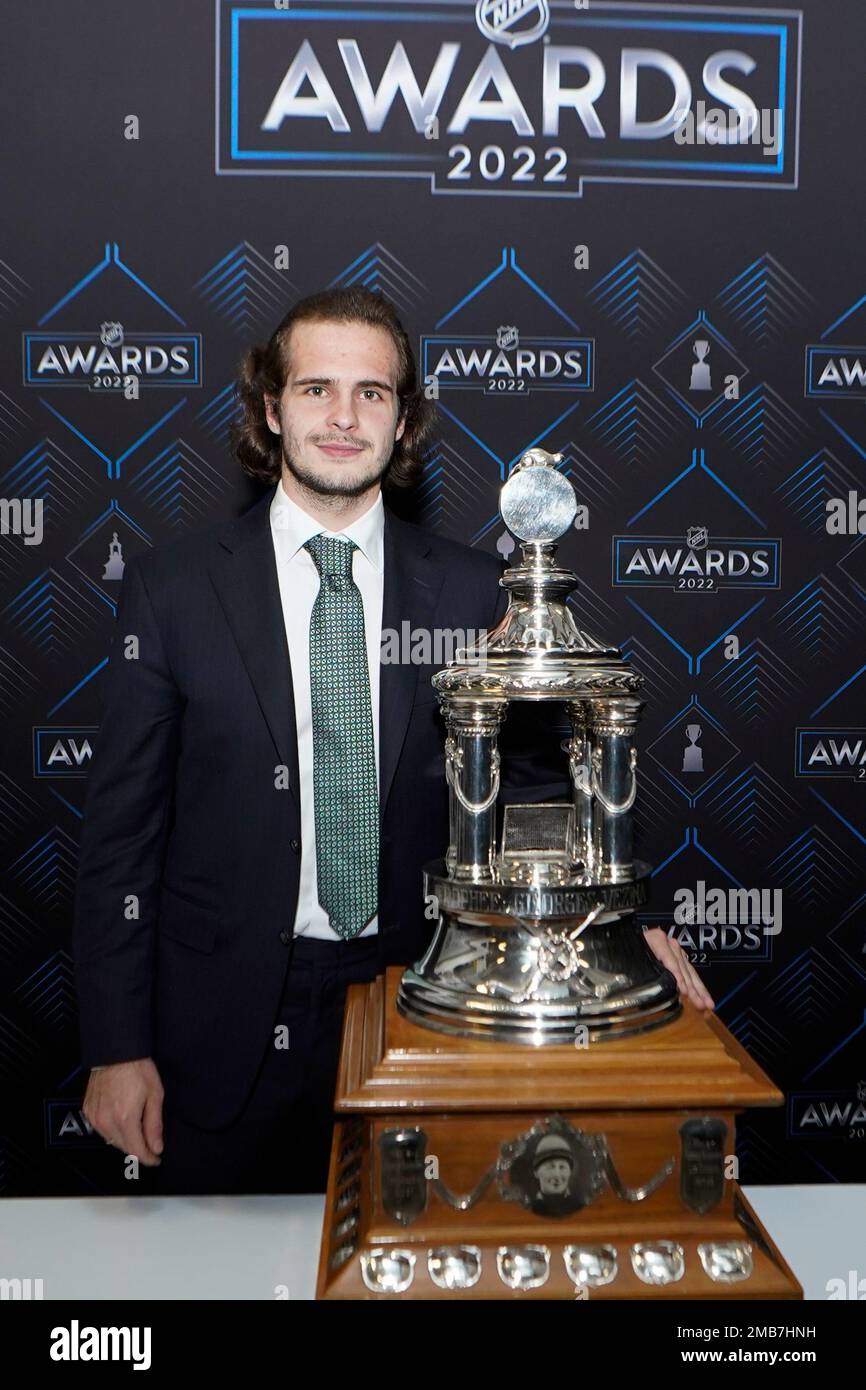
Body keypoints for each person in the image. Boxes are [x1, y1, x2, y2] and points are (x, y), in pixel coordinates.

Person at [73, 287, 712, 1196]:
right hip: (214, 1026)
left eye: (371, 393)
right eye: (315, 389)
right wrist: (115, 1045)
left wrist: (623, 922)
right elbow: (120, 839)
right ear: (270, 408)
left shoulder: (468, 591)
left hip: (421, 997)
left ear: (403, 419)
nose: (342, 417)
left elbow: (538, 789)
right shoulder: (171, 590)